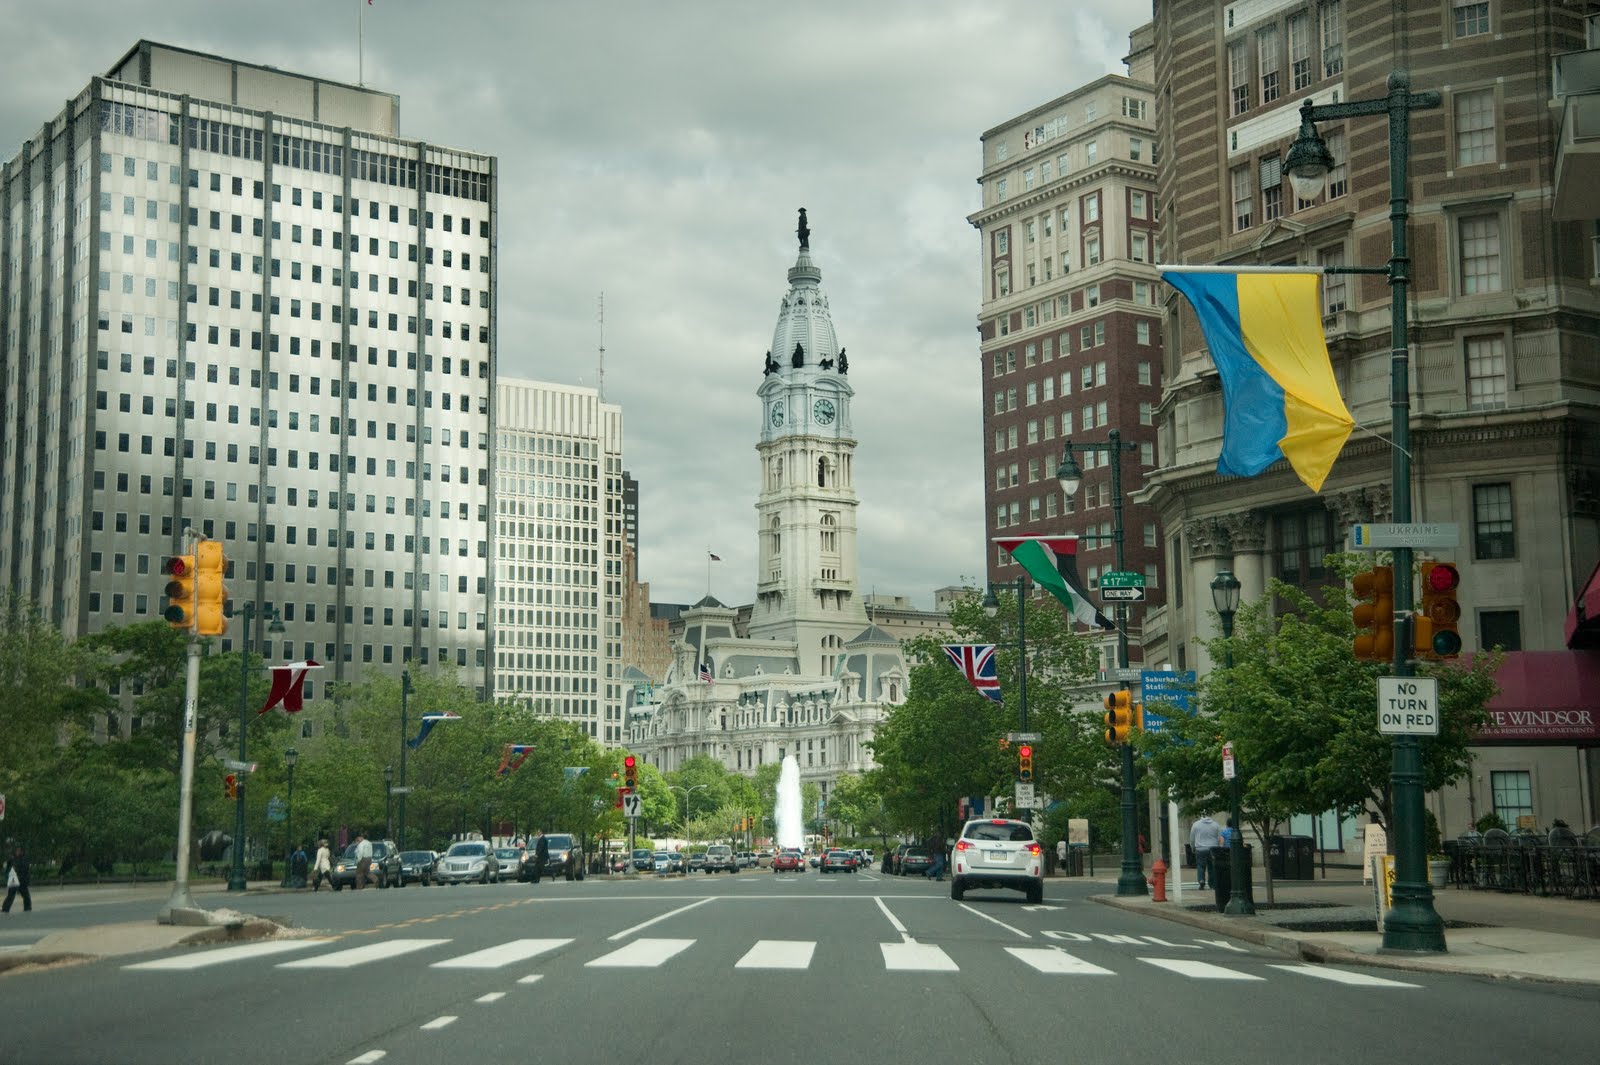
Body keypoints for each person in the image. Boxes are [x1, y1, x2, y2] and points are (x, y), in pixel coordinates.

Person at [1190, 814, 1222, 890]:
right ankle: (1212, 884)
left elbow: (1192, 838)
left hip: (1200, 848)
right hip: (1212, 848)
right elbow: (1219, 836)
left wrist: (1192, 847)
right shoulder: (1215, 825)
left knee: (1200, 866)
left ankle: (1201, 880)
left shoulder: (1196, 824)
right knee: (1211, 867)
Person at [3, 846, 32, 913]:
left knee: (25, 895)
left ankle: (27, 908)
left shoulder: (25, 859)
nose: (17, 852)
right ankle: (5, 908)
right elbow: (7, 866)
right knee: (11, 895)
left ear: (22, 852)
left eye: (19, 851)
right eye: (17, 850)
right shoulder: (13, 859)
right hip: (14, 879)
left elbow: (25, 869)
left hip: (22, 880)